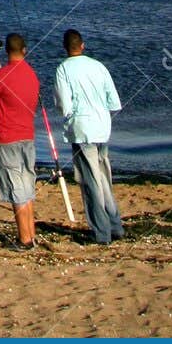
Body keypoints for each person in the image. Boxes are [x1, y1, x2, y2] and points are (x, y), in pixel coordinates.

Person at [53, 28, 124, 245]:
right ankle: (115, 226)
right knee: (103, 177)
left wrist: (70, 113)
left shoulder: (63, 69)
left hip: (83, 130)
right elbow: (114, 102)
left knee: (91, 181)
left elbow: (64, 106)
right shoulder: (99, 66)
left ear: (65, 47)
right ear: (82, 45)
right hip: (102, 127)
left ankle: (101, 232)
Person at [0, 31, 40, 248]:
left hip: (7, 138)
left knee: (17, 188)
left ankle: (24, 239)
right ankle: (30, 234)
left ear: (6, 51)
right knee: (27, 185)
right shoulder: (32, 74)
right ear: (24, 50)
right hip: (27, 137)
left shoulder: (2, 75)